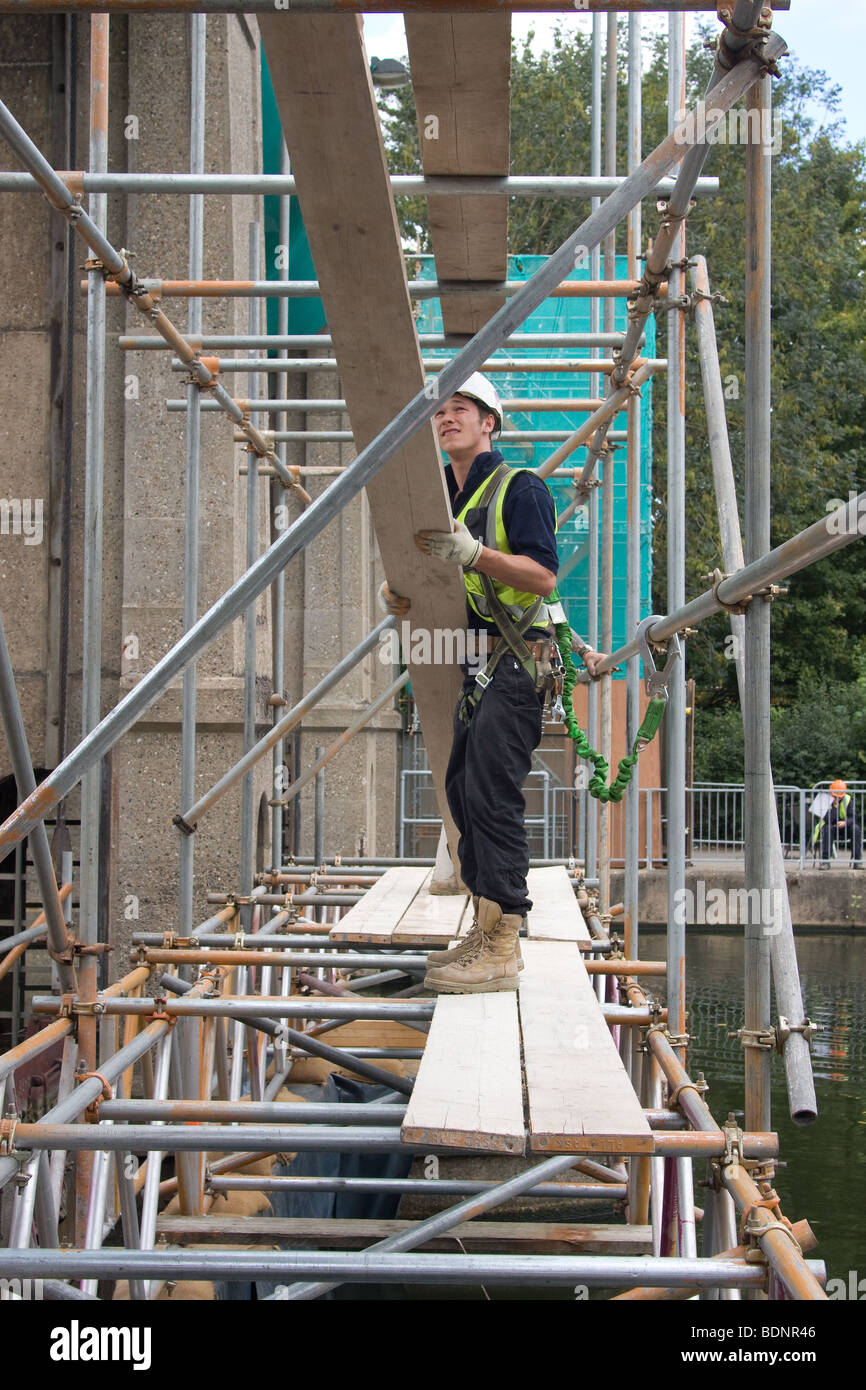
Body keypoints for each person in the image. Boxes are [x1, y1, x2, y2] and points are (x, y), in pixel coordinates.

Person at [397, 372, 602, 994]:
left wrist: (474, 556)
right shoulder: (446, 504)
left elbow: (541, 576)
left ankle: (505, 942)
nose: (447, 418)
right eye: (440, 411)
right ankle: (487, 926)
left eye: (462, 408)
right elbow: (451, 584)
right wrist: (410, 594)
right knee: (463, 795)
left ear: (491, 422)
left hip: (519, 664)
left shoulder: (521, 487)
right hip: (478, 664)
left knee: (492, 793)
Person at [813, 779, 862, 869]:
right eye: (835, 796)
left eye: (839, 797)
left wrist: (845, 822)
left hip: (845, 827)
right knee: (827, 829)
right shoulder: (825, 800)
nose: (837, 798)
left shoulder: (848, 799)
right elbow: (827, 819)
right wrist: (835, 807)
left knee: (856, 829)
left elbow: (854, 817)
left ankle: (857, 861)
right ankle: (825, 862)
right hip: (831, 827)